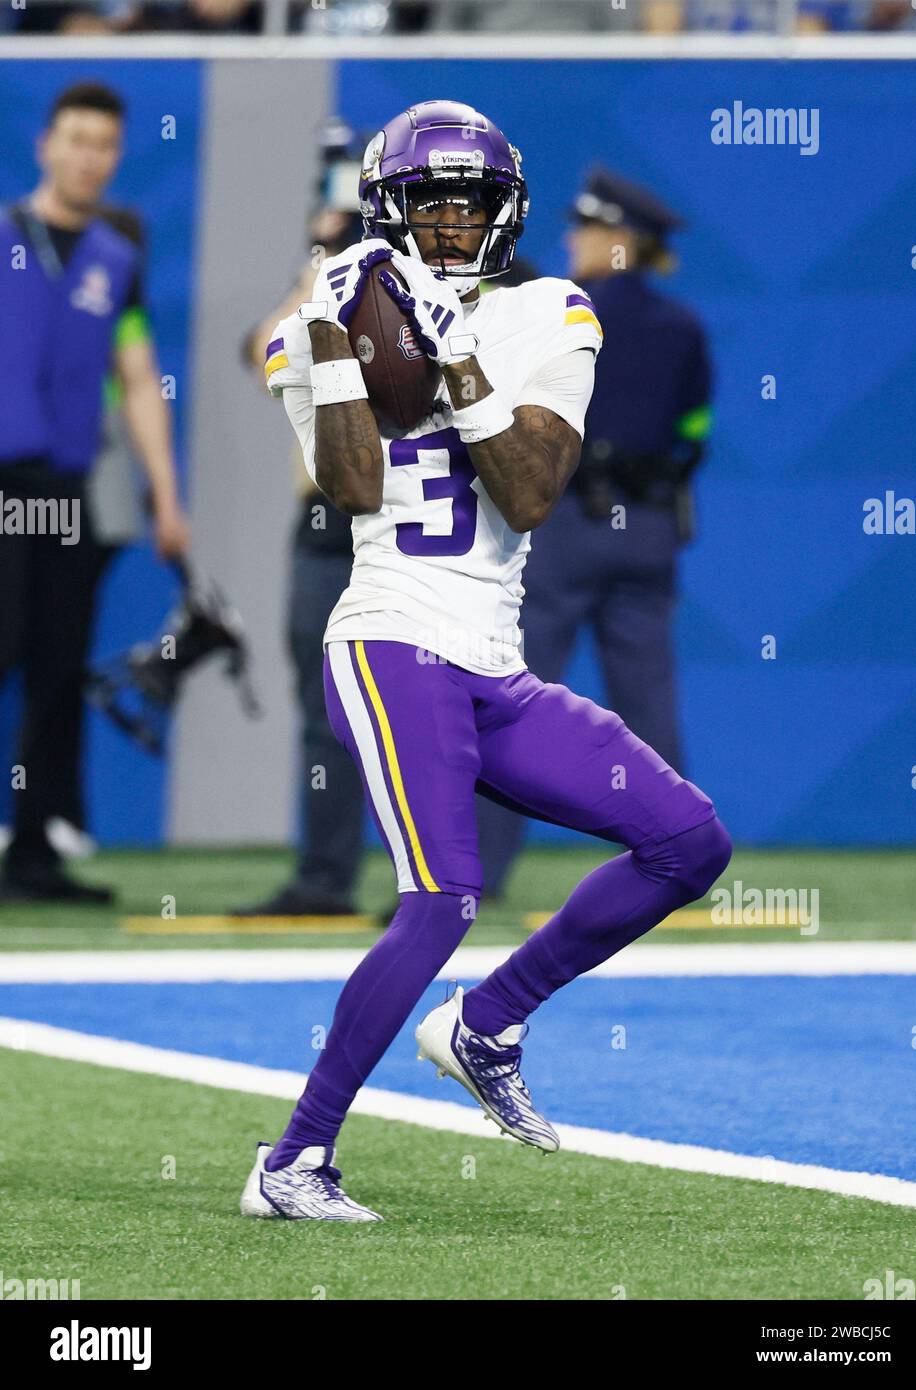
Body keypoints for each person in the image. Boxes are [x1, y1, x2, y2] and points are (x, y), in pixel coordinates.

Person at [239, 100, 731, 1222]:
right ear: (389, 211)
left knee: (687, 839)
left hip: (492, 661)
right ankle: (293, 1159)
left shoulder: (555, 311)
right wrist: (331, 339)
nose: (451, 222)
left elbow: (527, 491)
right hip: (390, 636)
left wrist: (451, 350)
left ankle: (485, 1022)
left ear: (504, 211)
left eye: (470, 202)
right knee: (440, 897)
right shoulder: (323, 317)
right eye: (428, 203)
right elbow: (353, 486)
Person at [477, 167, 713, 897]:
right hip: (647, 530)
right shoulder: (682, 328)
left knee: (507, 704)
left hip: (563, 527)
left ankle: (472, 878)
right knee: (646, 706)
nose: (571, 241)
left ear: (617, 240)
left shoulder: (559, 316)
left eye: (584, 230)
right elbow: (692, 432)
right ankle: (672, 864)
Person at [0, 82, 189, 903]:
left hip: (67, 492)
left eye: (105, 144)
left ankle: (35, 853)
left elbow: (141, 378)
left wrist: (166, 495)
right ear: (46, 145)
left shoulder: (116, 260)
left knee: (56, 669)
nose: (90, 158)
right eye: (76, 140)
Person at [232, 121, 374, 919]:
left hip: (393, 522)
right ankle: (324, 877)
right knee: (326, 708)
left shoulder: (403, 275)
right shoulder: (319, 276)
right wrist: (319, 265)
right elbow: (264, 354)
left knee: (422, 706)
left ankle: (440, 880)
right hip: (321, 521)